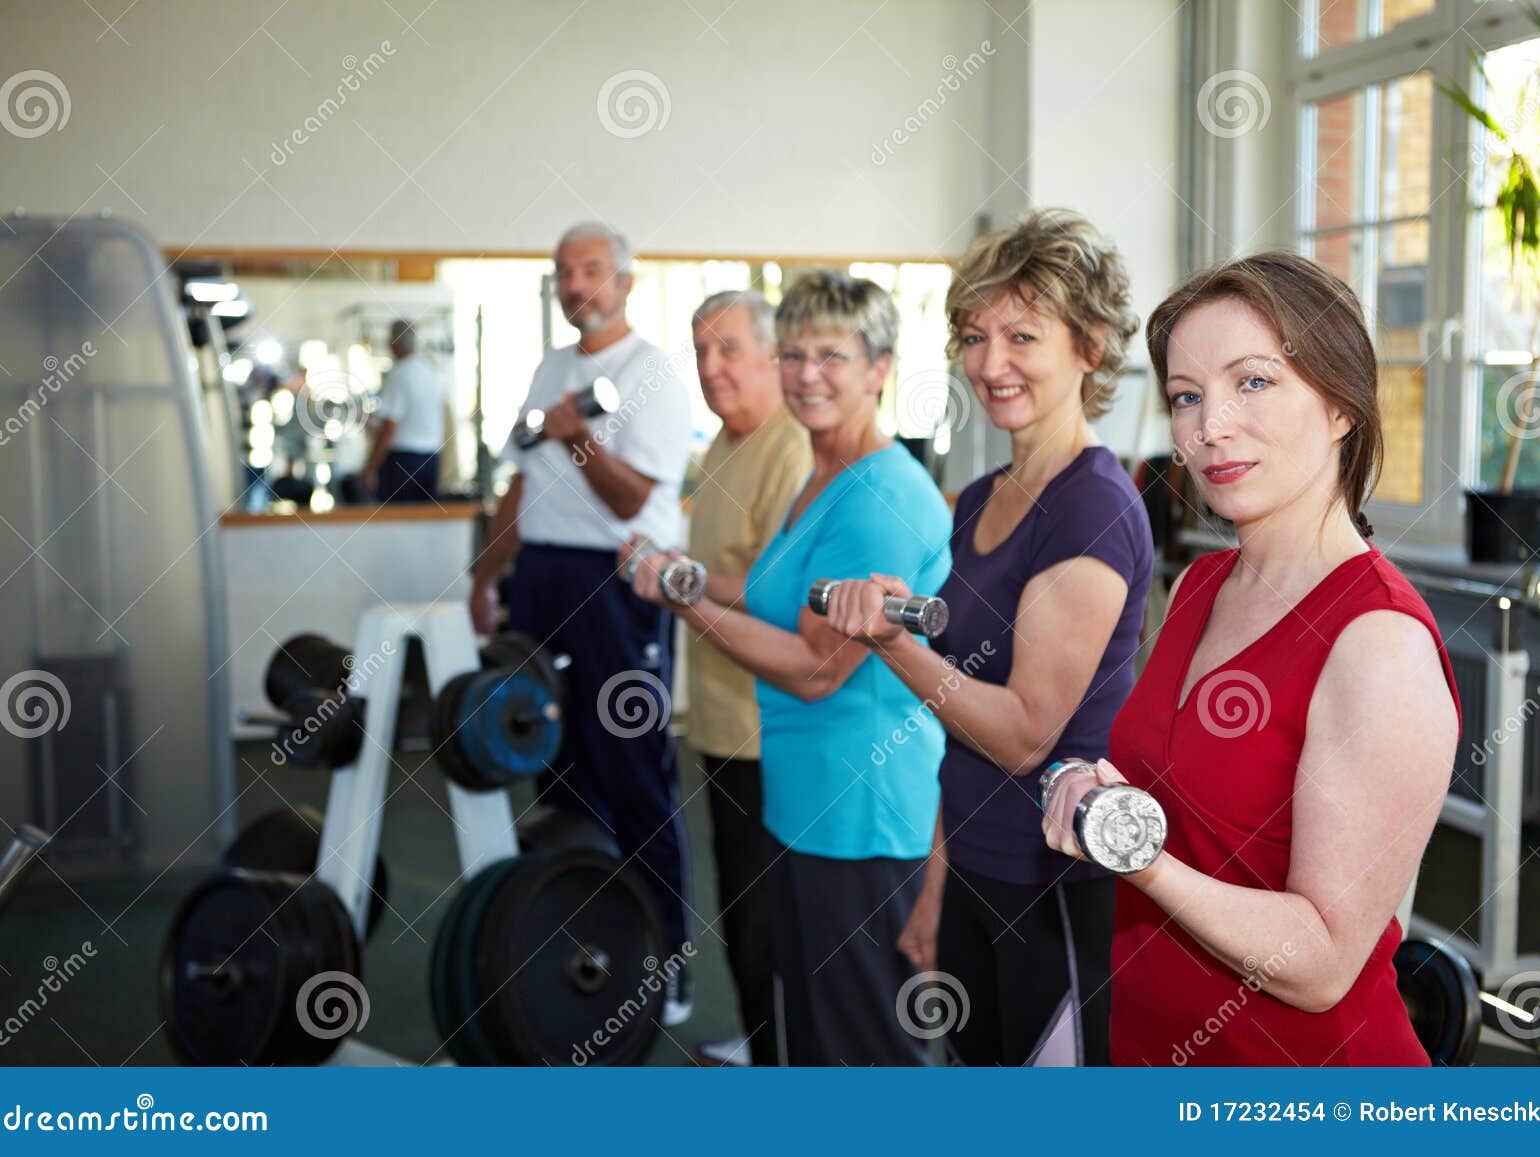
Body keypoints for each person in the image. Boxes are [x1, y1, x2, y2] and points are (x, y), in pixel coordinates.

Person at [1041, 251, 1461, 1066]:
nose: (1210, 427)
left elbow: (1322, 960)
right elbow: (1188, 798)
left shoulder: (1378, 642)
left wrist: (1139, 858)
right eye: (1187, 397)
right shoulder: (1201, 582)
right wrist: (1098, 790)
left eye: (1254, 382)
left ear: (1341, 403)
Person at [822, 210, 1153, 1066]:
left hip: (1054, 881)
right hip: (972, 865)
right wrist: (935, 889)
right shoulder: (977, 497)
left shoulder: (1091, 505)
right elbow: (958, 728)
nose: (990, 363)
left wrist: (894, 647)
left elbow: (1021, 731)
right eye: (974, 336)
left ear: (1090, 344)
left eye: (1021, 335)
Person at [626, 270, 951, 1065]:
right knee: (811, 1046)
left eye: (833, 356)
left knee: (864, 1061)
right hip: (804, 804)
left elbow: (815, 666)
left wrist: (681, 599)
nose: (809, 374)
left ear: (879, 369)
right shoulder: (820, 478)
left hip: (863, 817)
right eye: (797, 354)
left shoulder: (882, 496)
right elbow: (780, 599)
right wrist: (689, 574)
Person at [467, 222, 696, 1022]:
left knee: (634, 772)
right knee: (556, 769)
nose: (577, 284)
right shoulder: (549, 367)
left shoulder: (651, 373)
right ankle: (590, 941)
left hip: (618, 580)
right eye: (565, 272)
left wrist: (577, 438)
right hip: (543, 579)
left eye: (592, 270)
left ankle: (667, 962)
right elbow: (521, 484)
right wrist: (485, 572)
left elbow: (633, 498)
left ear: (625, 282)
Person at [669, 291, 811, 1066]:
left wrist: (679, 580)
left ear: (770, 356)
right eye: (700, 351)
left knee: (771, 916)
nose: (711, 367)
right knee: (741, 904)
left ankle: (785, 1058)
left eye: (728, 349)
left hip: (774, 729)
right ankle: (763, 1045)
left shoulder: (790, 444)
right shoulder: (722, 445)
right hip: (723, 721)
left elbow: (778, 591)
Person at [363, 319, 445, 503]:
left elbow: (389, 427)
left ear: (393, 342)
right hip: (431, 457)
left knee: (397, 522)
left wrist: (370, 468)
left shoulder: (399, 374)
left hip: (403, 461)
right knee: (424, 521)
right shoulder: (431, 371)